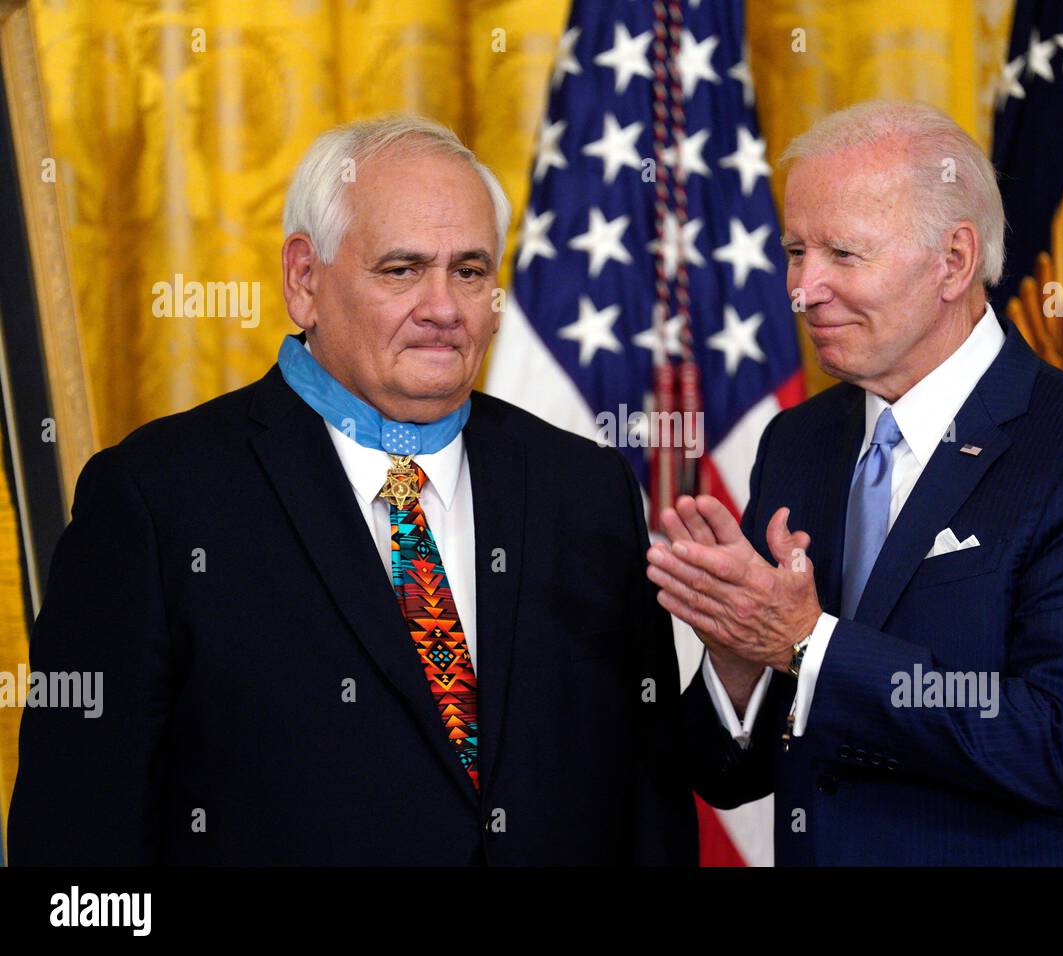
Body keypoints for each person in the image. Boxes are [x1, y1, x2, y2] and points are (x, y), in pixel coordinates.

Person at [9, 114, 695, 865]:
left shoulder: (586, 490)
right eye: (401, 270)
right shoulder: (157, 500)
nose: (443, 308)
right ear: (304, 280)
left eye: (469, 271)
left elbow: (649, 807)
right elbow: (74, 857)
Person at [651, 101, 1063, 865]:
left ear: (954, 262)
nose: (804, 288)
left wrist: (805, 643)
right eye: (796, 251)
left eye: (843, 255)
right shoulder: (798, 441)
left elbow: (1060, 743)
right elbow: (731, 777)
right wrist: (736, 660)